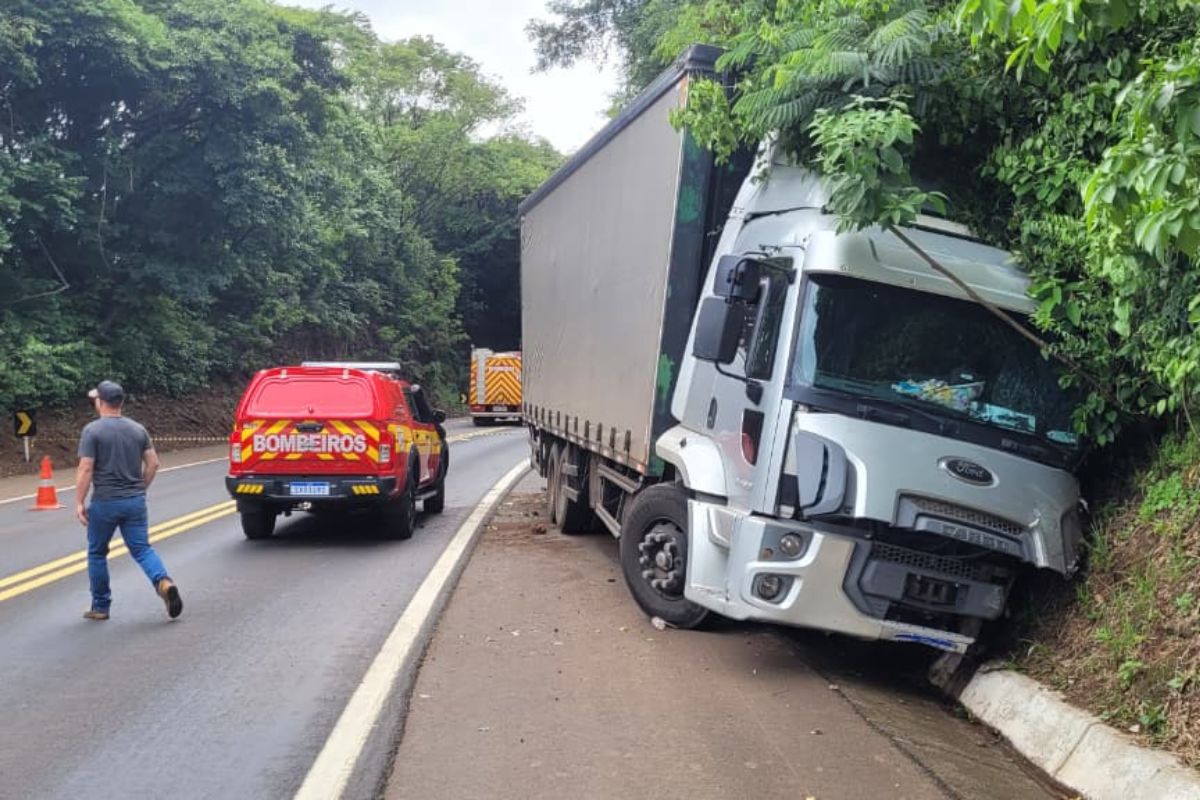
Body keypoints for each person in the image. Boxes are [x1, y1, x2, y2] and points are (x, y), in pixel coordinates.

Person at [74, 380, 182, 621]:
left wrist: (79, 502)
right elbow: (153, 463)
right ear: (121, 402)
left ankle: (100, 606)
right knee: (142, 549)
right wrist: (140, 489)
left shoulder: (92, 431)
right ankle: (163, 582)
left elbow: (86, 468)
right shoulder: (138, 429)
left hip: (105, 502)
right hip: (134, 501)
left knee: (97, 552)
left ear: (101, 402)